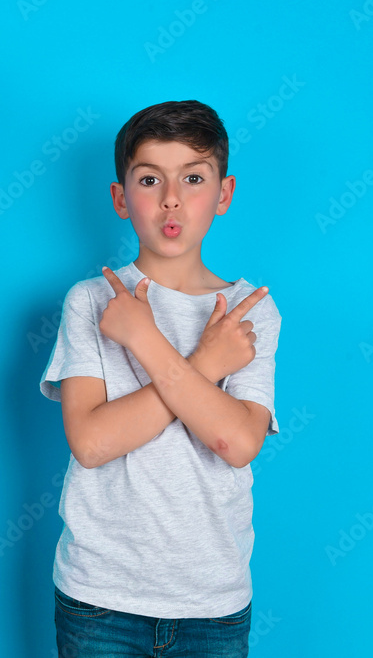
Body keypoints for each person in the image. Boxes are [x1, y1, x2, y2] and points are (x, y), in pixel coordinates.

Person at [39, 100, 281, 657]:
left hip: (212, 603)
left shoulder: (250, 312)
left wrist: (144, 340)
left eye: (193, 178)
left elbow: (237, 441)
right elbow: (93, 442)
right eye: (150, 179)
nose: (171, 198)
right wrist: (205, 368)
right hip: (101, 597)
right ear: (121, 199)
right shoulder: (93, 300)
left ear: (223, 193)